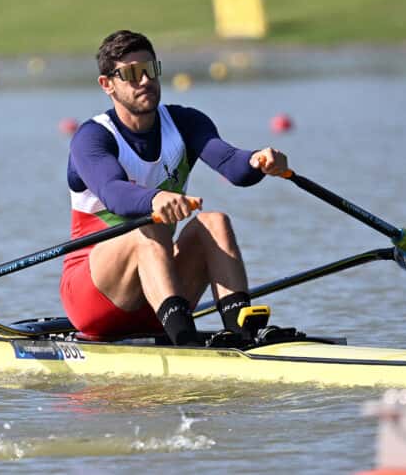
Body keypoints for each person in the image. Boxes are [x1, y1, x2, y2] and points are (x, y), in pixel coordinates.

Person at [62, 30, 288, 346]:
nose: (144, 80)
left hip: (160, 297)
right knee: (151, 230)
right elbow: (114, 193)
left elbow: (232, 165)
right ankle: (185, 341)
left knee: (215, 221)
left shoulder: (185, 122)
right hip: (95, 298)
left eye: (150, 69)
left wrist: (258, 161)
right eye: (131, 74)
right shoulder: (92, 137)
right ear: (107, 84)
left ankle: (243, 332)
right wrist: (156, 199)